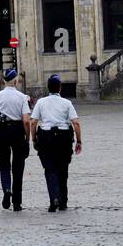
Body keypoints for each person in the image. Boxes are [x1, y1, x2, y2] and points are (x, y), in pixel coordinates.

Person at [30, 75, 82, 212]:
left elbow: (33, 122)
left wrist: (34, 139)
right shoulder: (67, 103)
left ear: (48, 88)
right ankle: (63, 201)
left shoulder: (41, 102)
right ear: (60, 88)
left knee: (50, 170)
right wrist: (79, 141)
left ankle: (54, 198)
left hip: (46, 138)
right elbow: (76, 122)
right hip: (63, 138)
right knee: (63, 170)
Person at [0, 69, 31, 212]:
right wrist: (27, 138)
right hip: (17, 131)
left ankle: (6, 189)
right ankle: (17, 202)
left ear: (4, 81)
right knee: (18, 167)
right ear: (16, 81)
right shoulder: (22, 97)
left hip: (2, 132)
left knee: (4, 165)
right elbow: (27, 121)